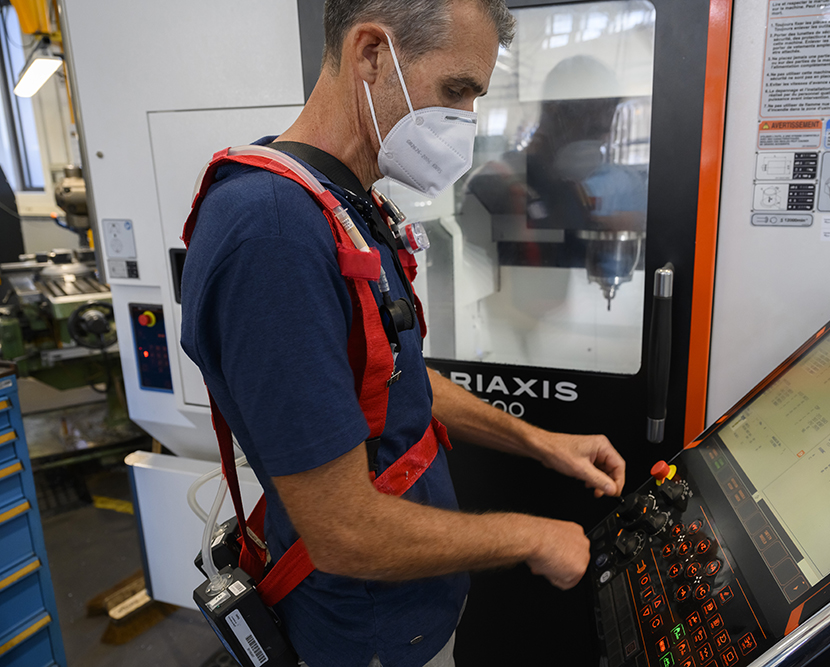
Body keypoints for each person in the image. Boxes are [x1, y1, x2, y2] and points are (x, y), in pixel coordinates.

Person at [181, 1, 627, 666]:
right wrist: (532, 536)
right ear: (369, 54)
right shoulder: (271, 236)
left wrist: (541, 441)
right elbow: (341, 530)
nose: (466, 122)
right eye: (456, 91)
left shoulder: (348, 204)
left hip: (415, 611)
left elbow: (397, 378)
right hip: (366, 633)